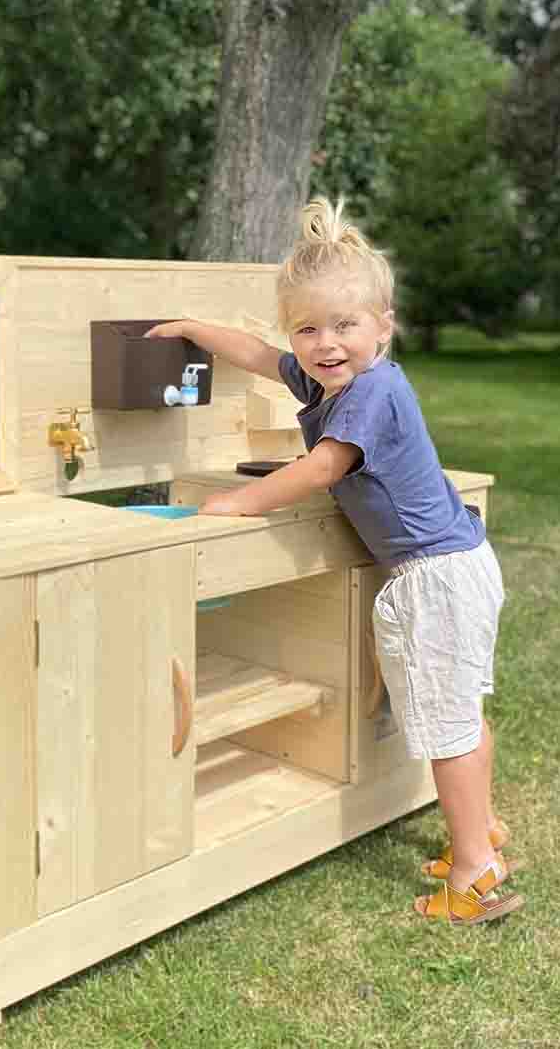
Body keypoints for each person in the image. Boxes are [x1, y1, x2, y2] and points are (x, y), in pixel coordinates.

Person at [146, 197, 522, 925]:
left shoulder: (369, 393)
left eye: (345, 326)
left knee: (447, 726)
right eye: (307, 329)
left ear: (384, 326)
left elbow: (322, 468)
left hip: (433, 577)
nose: (325, 344)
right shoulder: (333, 380)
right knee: (462, 714)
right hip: (459, 562)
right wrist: (194, 329)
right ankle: (482, 836)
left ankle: (473, 873)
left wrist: (238, 504)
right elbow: (260, 356)